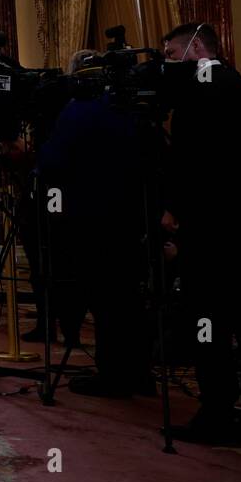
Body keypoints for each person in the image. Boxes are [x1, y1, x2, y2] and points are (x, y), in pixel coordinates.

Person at [160, 23, 241, 444]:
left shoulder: (198, 94)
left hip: (209, 232)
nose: (167, 65)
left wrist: (173, 210)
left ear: (196, 48)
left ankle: (215, 412)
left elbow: (189, 162)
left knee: (209, 325)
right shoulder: (240, 86)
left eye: (170, 55)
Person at [38, 82, 153, 398]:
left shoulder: (79, 111)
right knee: (130, 298)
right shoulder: (133, 108)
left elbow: (52, 164)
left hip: (90, 219)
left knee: (104, 299)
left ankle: (114, 374)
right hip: (131, 217)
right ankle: (140, 373)